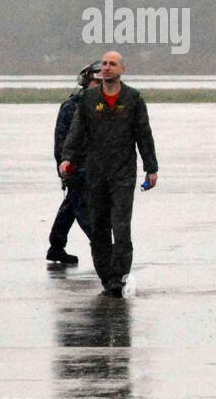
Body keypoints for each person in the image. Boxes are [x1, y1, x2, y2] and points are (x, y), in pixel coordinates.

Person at [59, 51, 158, 298]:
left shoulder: (133, 99)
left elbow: (143, 134)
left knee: (121, 227)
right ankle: (106, 276)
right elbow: (76, 132)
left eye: (112, 64)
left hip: (123, 173)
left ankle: (120, 275)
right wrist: (67, 158)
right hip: (96, 172)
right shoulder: (89, 99)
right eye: (104, 64)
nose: (106, 67)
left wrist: (151, 167)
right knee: (99, 228)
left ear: (122, 69)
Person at [47, 61, 99, 266]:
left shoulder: (102, 106)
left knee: (71, 205)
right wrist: (64, 167)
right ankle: (101, 245)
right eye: (96, 82)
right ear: (86, 82)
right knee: (83, 208)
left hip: (95, 168)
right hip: (75, 168)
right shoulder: (71, 107)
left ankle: (56, 246)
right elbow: (61, 140)